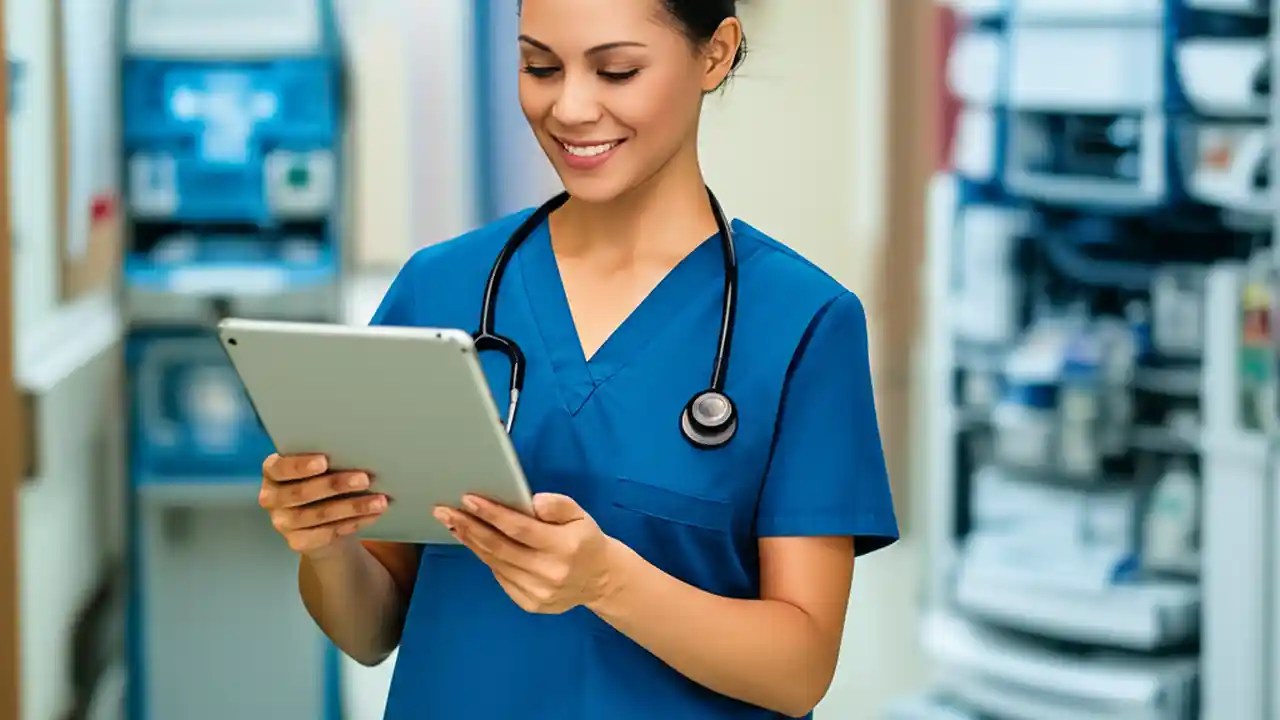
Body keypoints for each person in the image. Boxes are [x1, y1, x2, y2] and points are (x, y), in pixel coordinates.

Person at [256, 0, 899, 717]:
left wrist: (606, 582)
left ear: (715, 54)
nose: (569, 108)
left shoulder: (802, 322)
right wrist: (326, 545)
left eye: (616, 71)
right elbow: (370, 631)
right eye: (540, 67)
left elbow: (799, 671)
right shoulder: (439, 289)